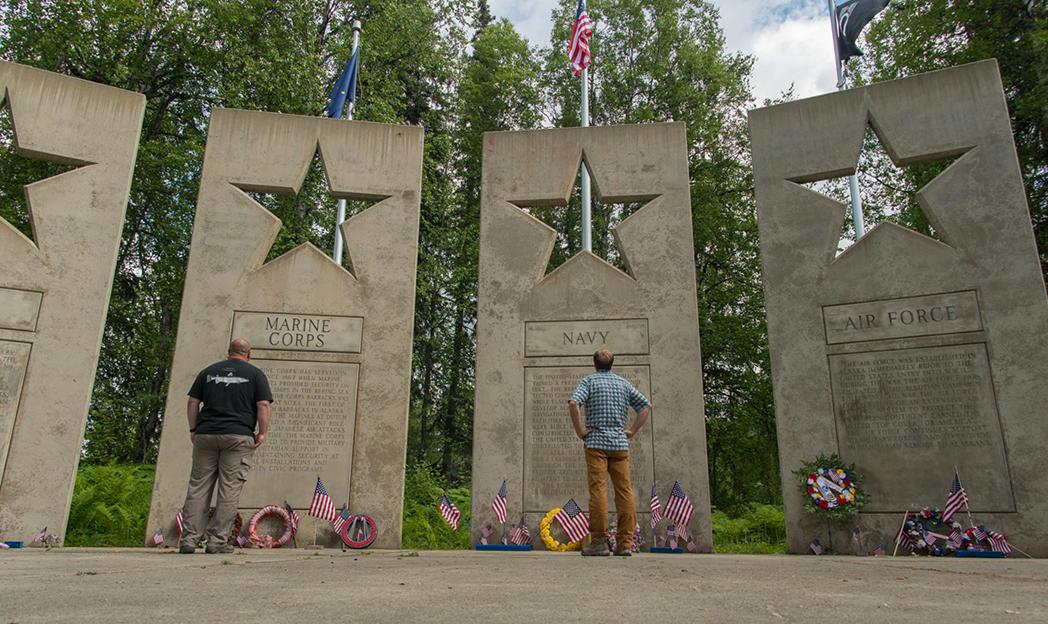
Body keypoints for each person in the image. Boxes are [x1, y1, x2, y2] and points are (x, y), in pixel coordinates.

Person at [179, 338, 272, 554]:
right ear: (248, 354)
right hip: (237, 436)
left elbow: (193, 402)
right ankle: (217, 541)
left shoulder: (208, 372)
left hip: (206, 434)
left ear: (228, 352)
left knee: (198, 487)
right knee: (229, 488)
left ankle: (189, 540)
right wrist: (262, 432)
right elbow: (263, 404)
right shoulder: (255, 374)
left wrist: (193, 429)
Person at [569, 348, 651, 556]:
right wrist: (632, 430)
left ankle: (599, 542)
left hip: (595, 443)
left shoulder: (589, 381)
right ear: (612, 364)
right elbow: (646, 407)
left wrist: (580, 431)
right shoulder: (623, 383)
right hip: (620, 445)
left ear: (594, 364)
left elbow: (573, 403)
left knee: (598, 491)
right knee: (624, 491)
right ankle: (624, 543)